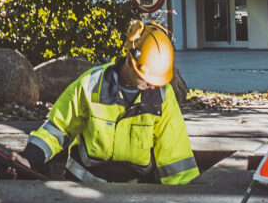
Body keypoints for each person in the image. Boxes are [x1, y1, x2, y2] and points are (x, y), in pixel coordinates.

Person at [23, 21, 198, 185]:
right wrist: (30, 158)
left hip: (136, 193)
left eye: (157, 80)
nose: (152, 85)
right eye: (146, 78)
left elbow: (176, 156)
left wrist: (188, 199)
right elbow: (58, 128)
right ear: (130, 60)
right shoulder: (90, 84)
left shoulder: (162, 96)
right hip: (83, 188)